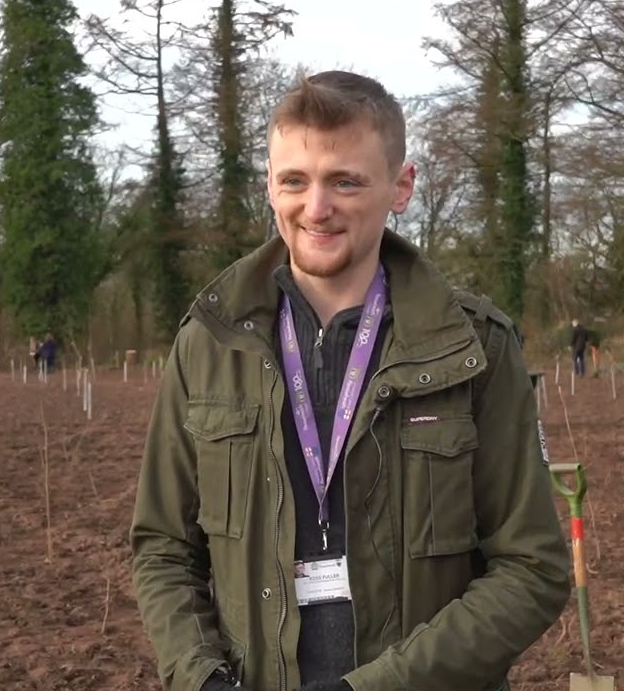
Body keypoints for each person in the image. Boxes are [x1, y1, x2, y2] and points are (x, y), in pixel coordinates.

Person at [129, 70, 570, 691]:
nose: (316, 208)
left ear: (401, 186)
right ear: (270, 186)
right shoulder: (207, 343)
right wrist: (201, 678)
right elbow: (163, 549)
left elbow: (533, 568)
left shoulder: (475, 349)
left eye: (345, 181)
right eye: (294, 181)